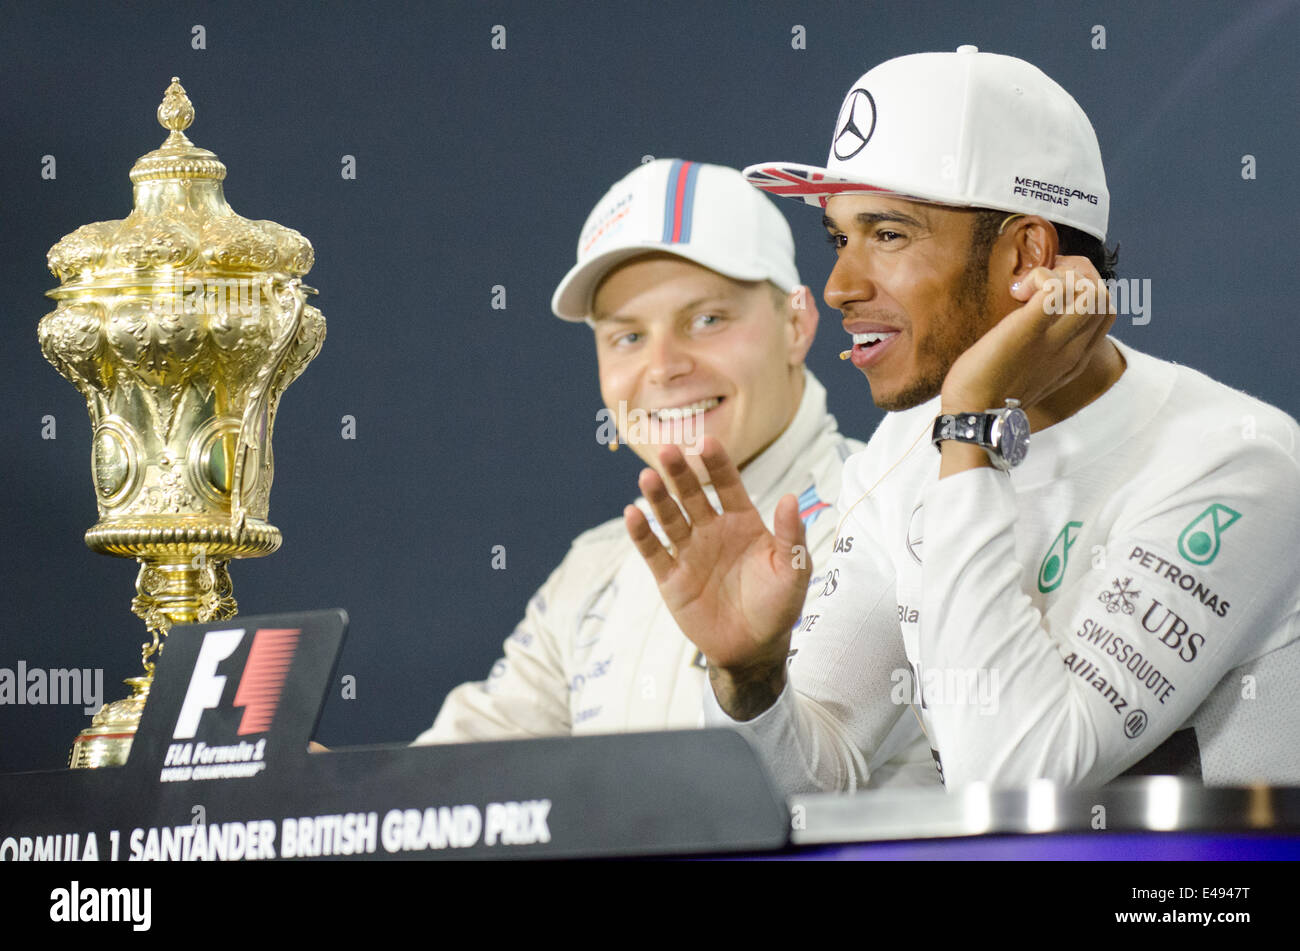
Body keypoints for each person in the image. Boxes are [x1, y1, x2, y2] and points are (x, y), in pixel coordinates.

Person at [624, 47, 1300, 792]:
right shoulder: (904, 451)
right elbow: (811, 787)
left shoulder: (1239, 461)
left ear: (1024, 254)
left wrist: (971, 422)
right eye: (838, 238)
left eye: (887, 234)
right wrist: (751, 679)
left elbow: (1015, 781)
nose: (840, 285)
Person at [415, 160, 934, 785]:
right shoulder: (594, 569)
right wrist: (314, 789)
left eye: (707, 320)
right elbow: (450, 790)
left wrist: (752, 679)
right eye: (627, 337)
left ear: (797, 324)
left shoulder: (903, 515)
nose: (663, 368)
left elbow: (811, 791)